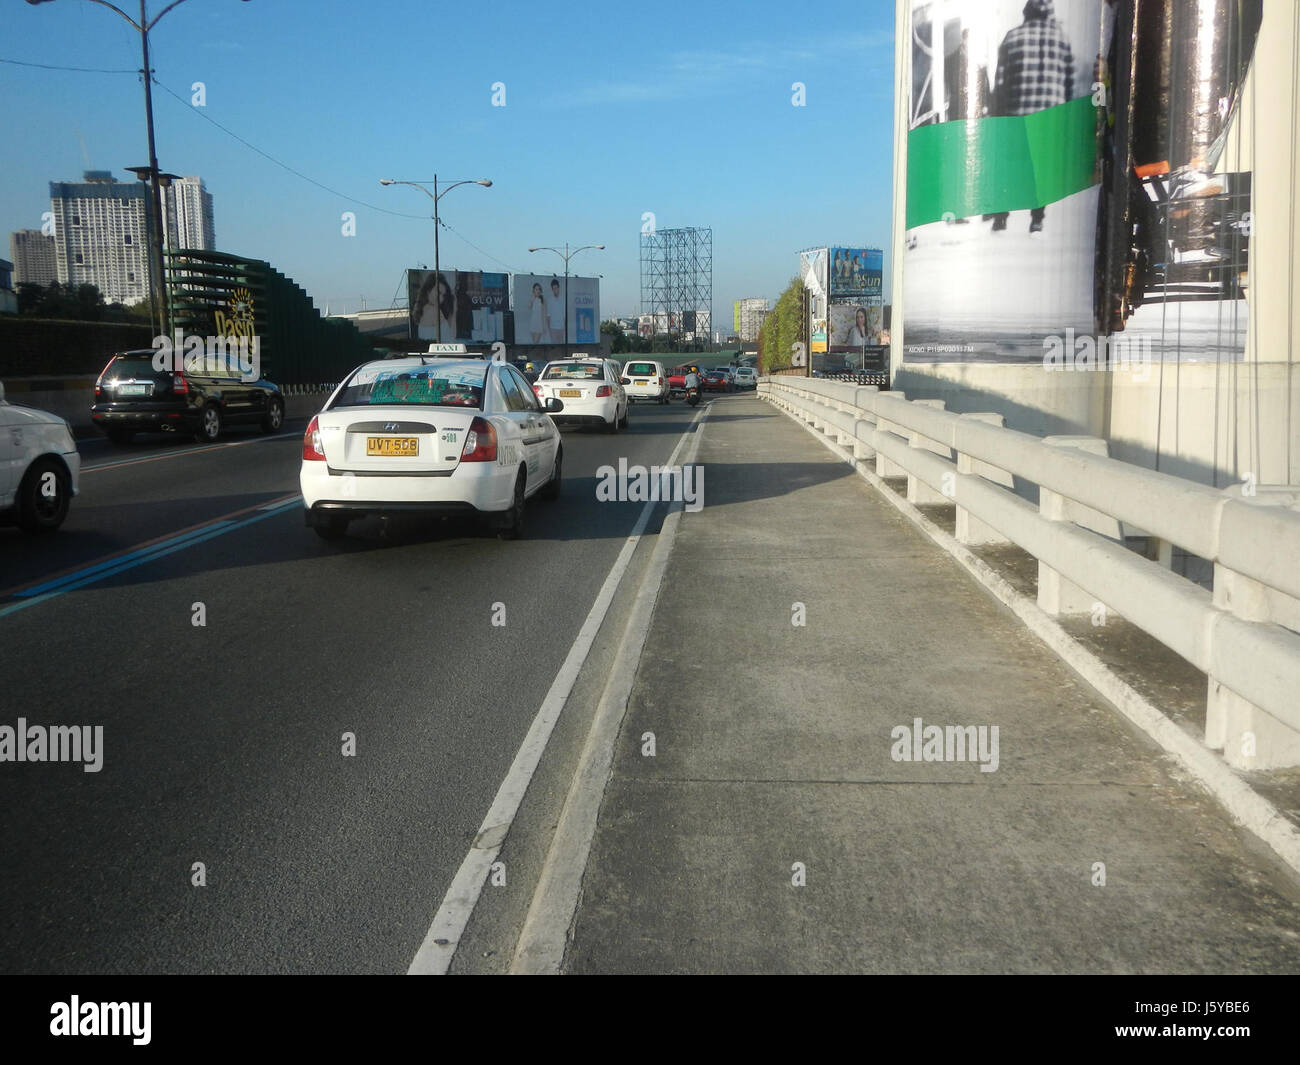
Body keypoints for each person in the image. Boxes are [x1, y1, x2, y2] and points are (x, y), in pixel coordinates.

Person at [990, 0, 1075, 235]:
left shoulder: (1011, 38)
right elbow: (1069, 83)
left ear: (1026, 12)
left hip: (1017, 114)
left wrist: (997, 115)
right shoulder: (1063, 39)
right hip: (1050, 118)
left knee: (1008, 168)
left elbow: (1000, 83)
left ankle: (1001, 219)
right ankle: (1037, 220)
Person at [412, 271, 455, 341]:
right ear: (428, 290)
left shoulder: (422, 309)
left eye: (443, 295)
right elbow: (451, 337)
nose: (441, 298)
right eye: (438, 292)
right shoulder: (435, 311)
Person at [547, 278, 565, 344]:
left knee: (562, 346)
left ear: (559, 288)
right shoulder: (550, 300)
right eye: (554, 289)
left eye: (556, 288)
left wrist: (564, 329)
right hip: (553, 328)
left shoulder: (563, 299)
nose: (555, 290)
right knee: (554, 346)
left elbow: (564, 315)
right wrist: (549, 330)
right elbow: (548, 316)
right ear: (552, 289)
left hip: (561, 328)